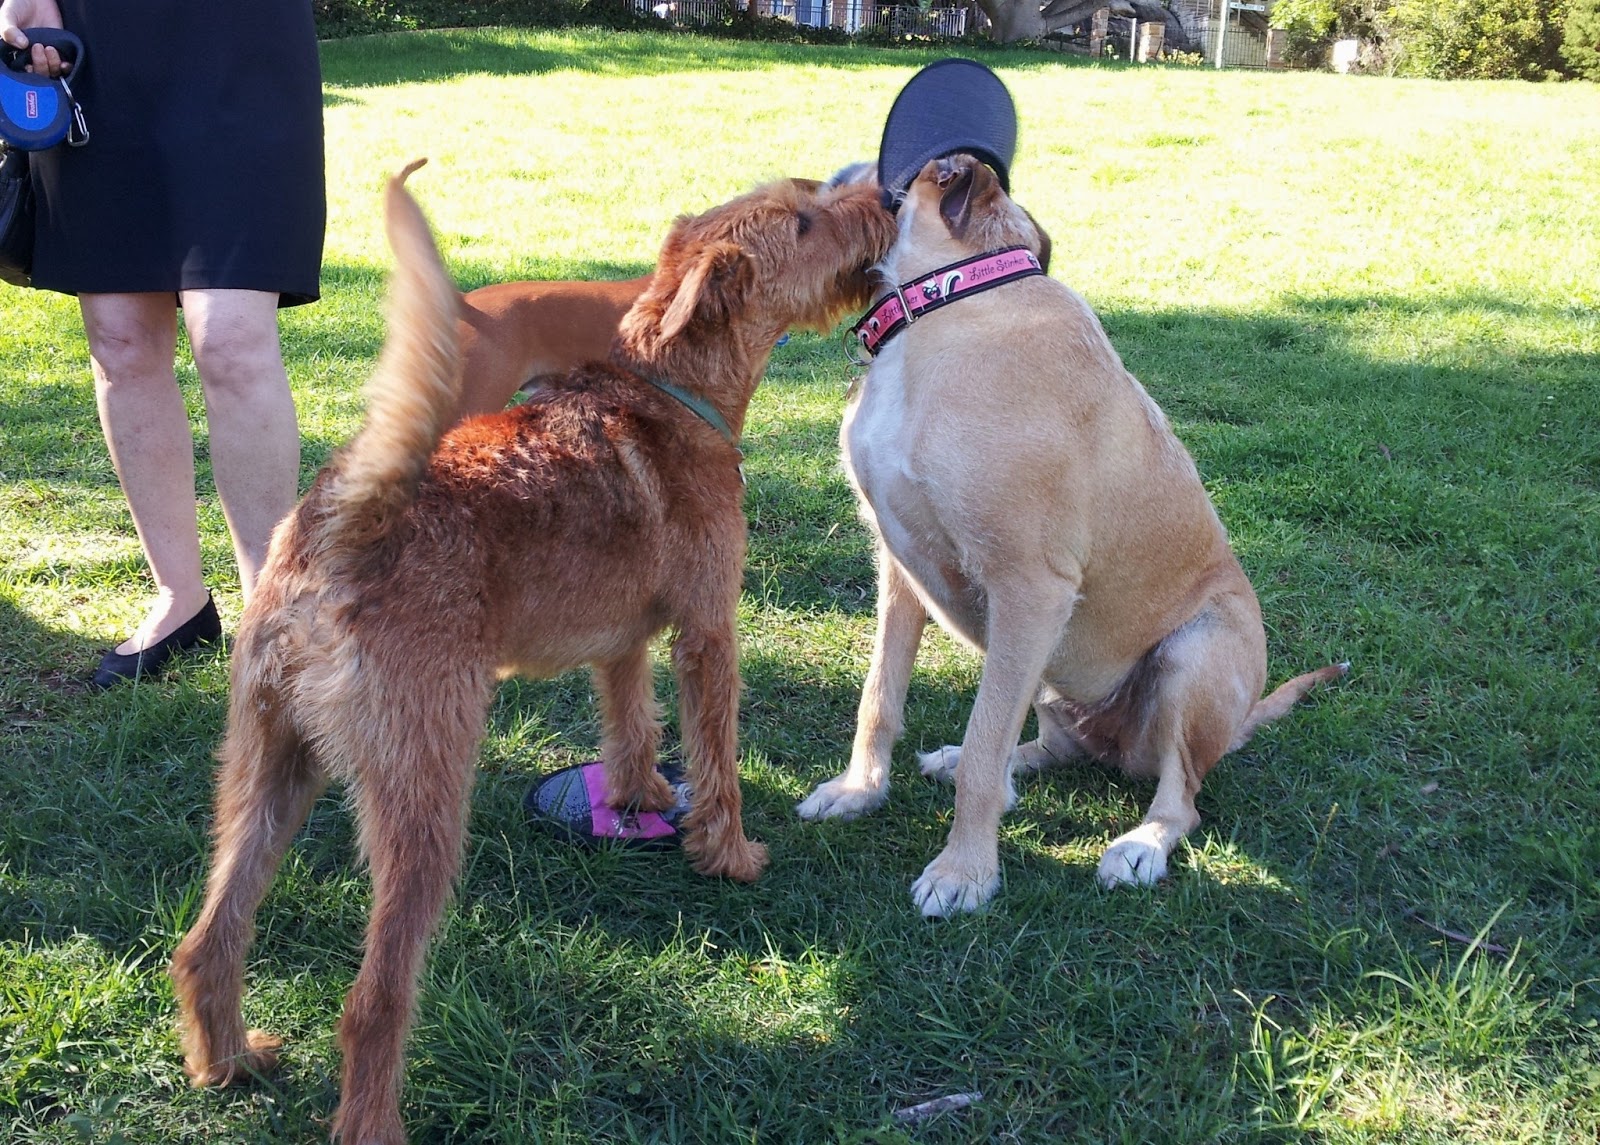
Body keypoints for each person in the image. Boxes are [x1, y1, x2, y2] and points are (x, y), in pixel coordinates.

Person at [0, 0, 325, 686]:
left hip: (240, 37)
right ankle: (180, 599)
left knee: (231, 339)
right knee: (120, 338)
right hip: (94, 41)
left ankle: (275, 618)